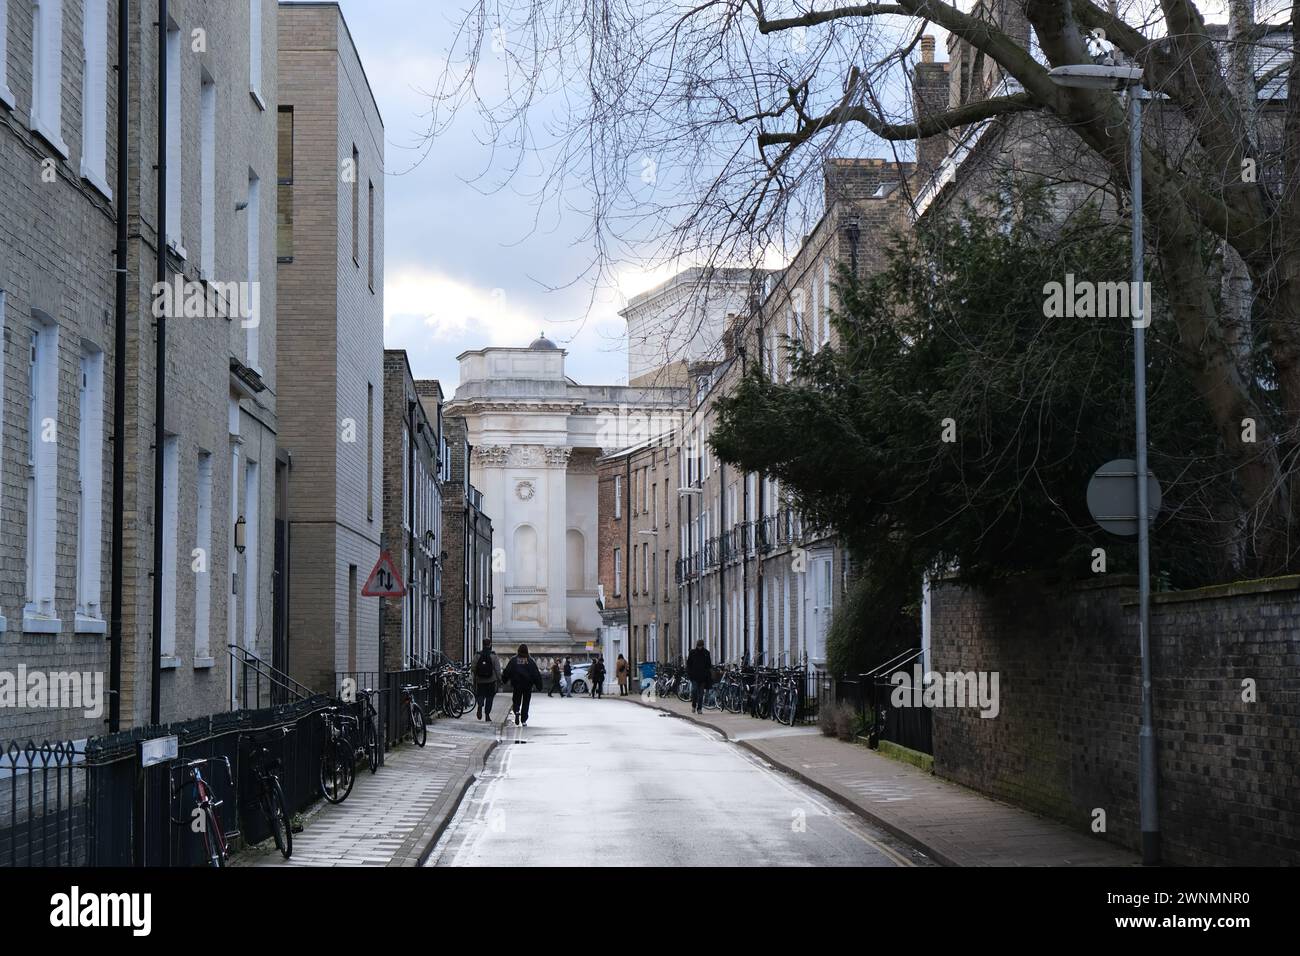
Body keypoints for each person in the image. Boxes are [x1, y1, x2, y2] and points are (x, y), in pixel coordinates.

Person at [502, 644, 543, 726]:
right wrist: (539, 685)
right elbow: (536, 674)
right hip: (528, 685)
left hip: (517, 684)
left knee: (516, 699)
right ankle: (523, 720)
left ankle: (516, 710)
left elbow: (507, 671)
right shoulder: (530, 661)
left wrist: (504, 680)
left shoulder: (514, 660)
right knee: (526, 702)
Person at [472, 637, 502, 721]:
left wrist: (476, 676)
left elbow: (473, 667)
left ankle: (480, 706)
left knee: (480, 694)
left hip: (480, 680)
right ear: (490, 644)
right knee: (489, 697)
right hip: (491, 680)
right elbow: (497, 669)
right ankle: (487, 715)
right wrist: (499, 679)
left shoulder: (477, 655)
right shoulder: (493, 655)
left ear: (483, 644)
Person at [686, 640, 713, 714]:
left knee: (701, 694)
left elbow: (709, 664)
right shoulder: (692, 652)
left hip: (703, 677)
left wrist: (707, 674)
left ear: (703, 646)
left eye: (700, 646)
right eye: (698, 646)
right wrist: (689, 673)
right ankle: (694, 705)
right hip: (694, 676)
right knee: (694, 691)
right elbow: (689, 664)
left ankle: (699, 708)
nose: (699, 647)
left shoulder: (706, 653)